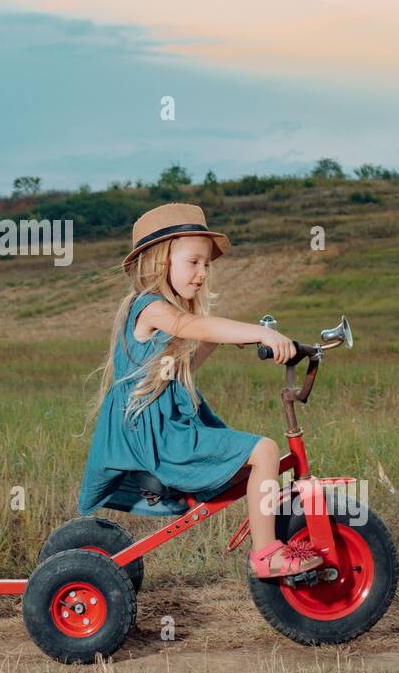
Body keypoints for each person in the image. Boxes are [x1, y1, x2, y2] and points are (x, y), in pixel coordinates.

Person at [77, 202, 324, 578]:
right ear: (160, 262)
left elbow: (177, 370)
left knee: (253, 460)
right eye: (193, 262)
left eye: (206, 265)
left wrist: (212, 344)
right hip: (159, 436)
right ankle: (266, 554)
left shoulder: (158, 312)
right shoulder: (150, 307)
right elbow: (194, 325)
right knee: (265, 451)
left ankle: (274, 535)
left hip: (161, 429)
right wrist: (261, 332)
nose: (202, 273)